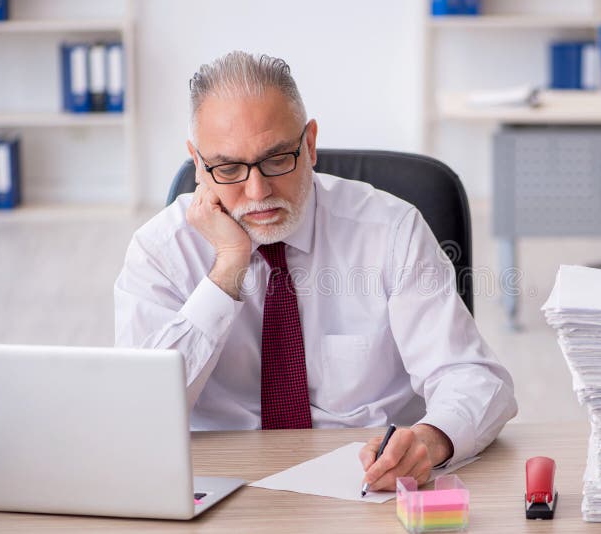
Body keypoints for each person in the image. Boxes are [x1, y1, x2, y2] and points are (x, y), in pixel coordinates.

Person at [114, 51, 517, 492]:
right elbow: (140, 414)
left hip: (367, 484)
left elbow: (475, 379)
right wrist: (227, 269)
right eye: (228, 168)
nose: (258, 190)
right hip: (217, 483)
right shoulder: (160, 250)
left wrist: (431, 439)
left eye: (276, 159)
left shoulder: (389, 230)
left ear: (309, 144)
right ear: (198, 162)